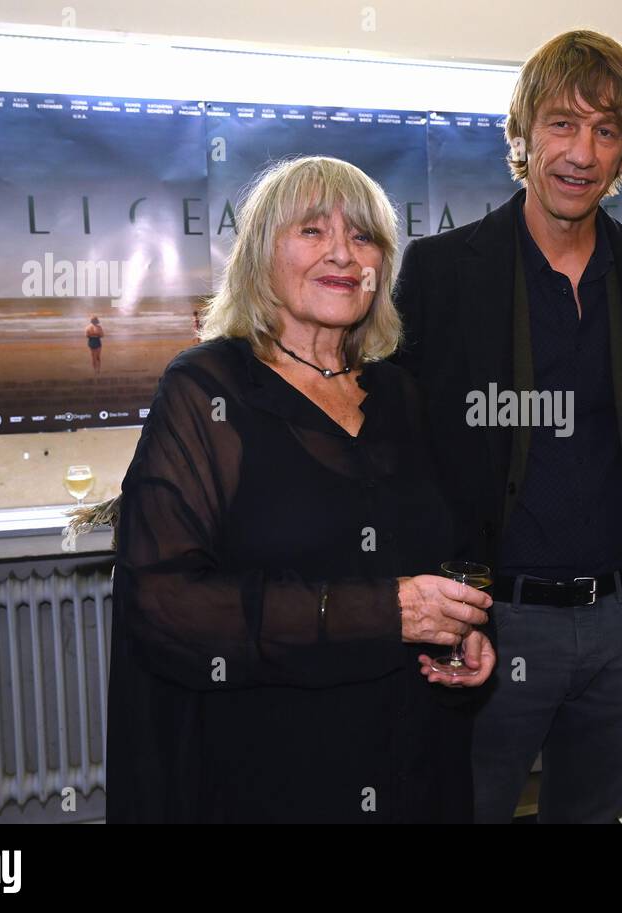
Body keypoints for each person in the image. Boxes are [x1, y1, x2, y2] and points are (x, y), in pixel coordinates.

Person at [105, 155, 496, 823]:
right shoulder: (207, 390)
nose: (343, 252)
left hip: (410, 758)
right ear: (261, 256)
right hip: (268, 768)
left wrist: (460, 636)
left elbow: (434, 553)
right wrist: (387, 613)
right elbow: (165, 603)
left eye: (363, 236)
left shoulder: (399, 391)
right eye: (312, 231)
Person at [392, 29, 622, 823]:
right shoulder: (444, 272)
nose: (582, 152)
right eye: (562, 123)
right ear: (522, 133)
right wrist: (443, 603)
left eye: (605, 130)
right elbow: (401, 454)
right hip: (495, 621)